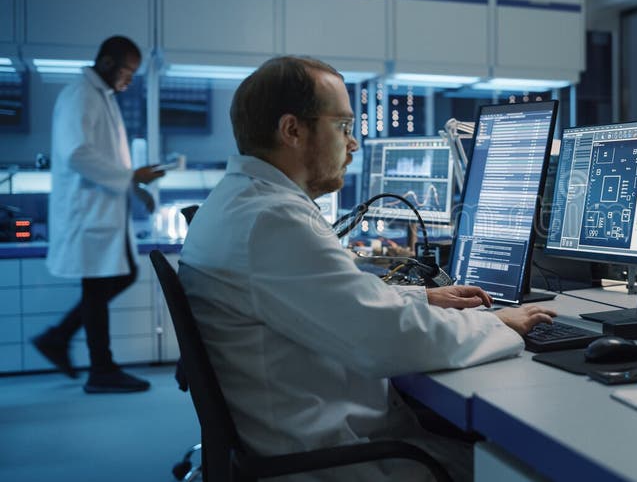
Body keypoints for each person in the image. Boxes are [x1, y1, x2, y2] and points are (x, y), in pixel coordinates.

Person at [178, 56, 555, 481]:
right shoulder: (272, 220)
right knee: (533, 469)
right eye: (343, 126)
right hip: (338, 461)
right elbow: (389, 339)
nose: (353, 143)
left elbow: (340, 303)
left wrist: (421, 296)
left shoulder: (239, 203)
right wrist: (500, 324)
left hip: (304, 440)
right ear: (292, 130)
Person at [32, 36, 166, 393]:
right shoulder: (80, 95)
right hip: (86, 212)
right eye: (127, 71)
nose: (129, 80)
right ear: (108, 63)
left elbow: (104, 155)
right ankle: (100, 369)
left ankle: (61, 340)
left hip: (101, 211)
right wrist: (132, 177)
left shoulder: (99, 96)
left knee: (115, 277)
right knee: (98, 286)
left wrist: (133, 185)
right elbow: (76, 153)